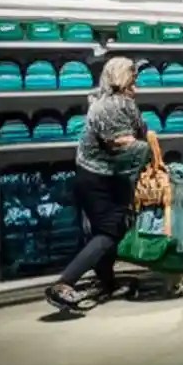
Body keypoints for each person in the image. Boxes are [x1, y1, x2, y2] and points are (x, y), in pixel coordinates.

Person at [45, 57, 151, 310]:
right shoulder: (113, 106)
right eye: (132, 77)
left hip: (100, 175)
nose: (136, 82)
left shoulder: (109, 101)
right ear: (120, 78)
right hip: (101, 178)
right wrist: (147, 148)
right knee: (109, 232)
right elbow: (122, 142)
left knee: (107, 230)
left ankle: (107, 282)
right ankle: (64, 284)